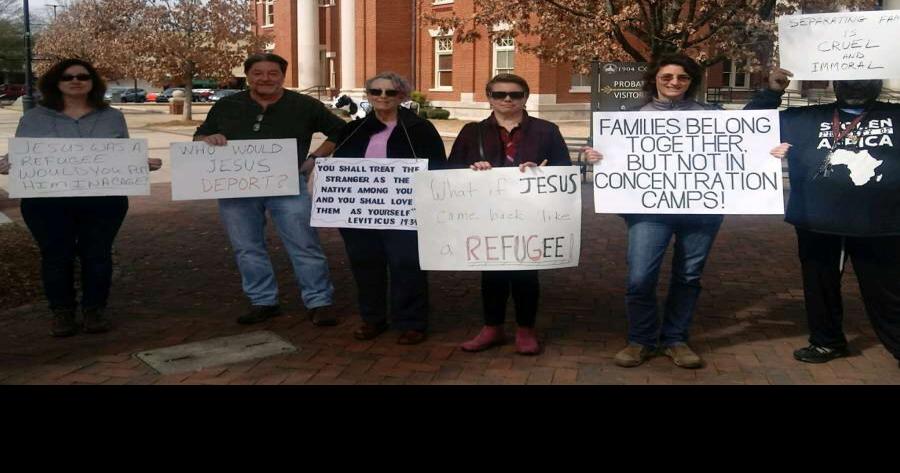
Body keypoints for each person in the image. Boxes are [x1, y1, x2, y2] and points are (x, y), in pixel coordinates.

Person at [584, 54, 789, 369]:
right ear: (654, 78)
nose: (674, 83)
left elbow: (747, 130)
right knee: (640, 278)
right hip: (649, 211)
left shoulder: (709, 113)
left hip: (702, 209)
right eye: (667, 77)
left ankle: (675, 339)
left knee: (689, 276)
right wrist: (593, 154)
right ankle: (641, 339)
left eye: (682, 77)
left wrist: (771, 100)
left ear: (692, 82)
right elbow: (601, 149)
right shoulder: (629, 116)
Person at [0, 58, 162, 336]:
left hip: (102, 200)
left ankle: (94, 310)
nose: (76, 81)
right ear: (56, 83)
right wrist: (6, 164)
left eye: (83, 76)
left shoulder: (112, 116)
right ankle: (61, 312)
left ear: (92, 82)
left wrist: (139, 163)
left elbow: (120, 152)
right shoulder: (34, 118)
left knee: (97, 255)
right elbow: (21, 157)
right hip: (46, 201)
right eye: (67, 77)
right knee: (55, 256)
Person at [755, 75, 900, 369]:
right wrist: (772, 91)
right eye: (847, 80)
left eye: (864, 79)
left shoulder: (895, 115)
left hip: (880, 223)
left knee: (887, 291)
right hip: (816, 221)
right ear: (833, 83)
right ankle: (826, 341)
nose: (856, 86)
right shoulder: (804, 117)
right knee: (819, 286)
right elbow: (750, 128)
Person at [193, 53, 345, 326]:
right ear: (248, 76)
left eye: (273, 73)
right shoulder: (227, 105)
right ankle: (263, 300)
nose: (265, 78)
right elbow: (201, 134)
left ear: (283, 76)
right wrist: (208, 138)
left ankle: (319, 301)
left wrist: (314, 159)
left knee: (304, 244)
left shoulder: (304, 105)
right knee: (247, 247)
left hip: (287, 185)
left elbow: (340, 131)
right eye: (258, 73)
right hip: (235, 187)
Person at [446, 73, 571, 355]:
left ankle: (526, 329)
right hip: (487, 215)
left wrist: (542, 172)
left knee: (527, 273)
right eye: (499, 94)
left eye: (515, 95)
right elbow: (450, 171)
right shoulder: (471, 132)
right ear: (489, 97)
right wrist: (472, 170)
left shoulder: (546, 130)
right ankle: (492, 327)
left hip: (531, 214)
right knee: (491, 272)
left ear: (525, 97)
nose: (507, 100)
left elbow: (565, 170)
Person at [327, 72, 445, 344]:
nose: (382, 97)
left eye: (390, 92)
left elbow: (437, 168)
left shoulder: (419, 129)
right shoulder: (354, 129)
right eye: (375, 92)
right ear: (368, 96)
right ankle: (372, 319)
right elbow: (339, 169)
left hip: (405, 213)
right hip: (360, 213)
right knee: (366, 265)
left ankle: (412, 322)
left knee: (407, 265)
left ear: (401, 96)